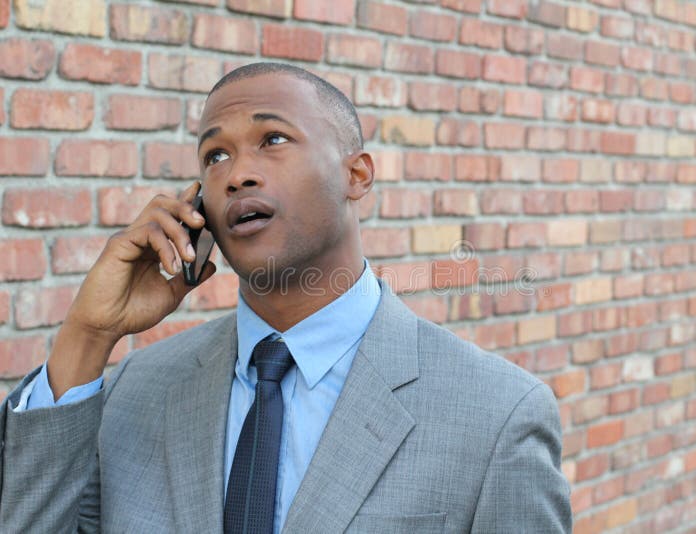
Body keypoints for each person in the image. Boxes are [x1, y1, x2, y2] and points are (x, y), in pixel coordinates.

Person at [0, 62, 572, 533]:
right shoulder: (133, 391)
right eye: (215, 155)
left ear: (357, 175)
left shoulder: (498, 416)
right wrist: (88, 335)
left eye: (273, 139)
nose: (237, 173)